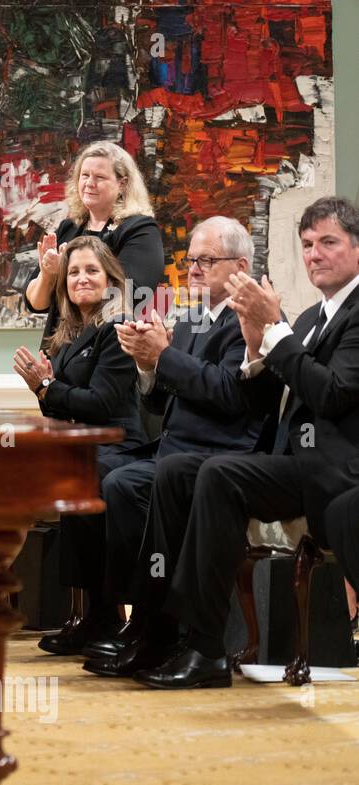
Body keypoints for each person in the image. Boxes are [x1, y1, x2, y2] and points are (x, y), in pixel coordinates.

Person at [131, 196, 359, 689]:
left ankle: (205, 647)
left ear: (356, 249)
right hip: (294, 462)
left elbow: (334, 394)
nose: (314, 254)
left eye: (328, 243)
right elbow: (260, 393)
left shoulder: (348, 316)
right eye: (306, 245)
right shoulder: (308, 320)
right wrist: (258, 346)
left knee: (218, 473)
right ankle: (165, 630)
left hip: (338, 472)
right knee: (175, 472)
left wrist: (271, 331)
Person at [82, 216, 263, 676]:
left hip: (221, 453)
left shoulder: (250, 319)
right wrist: (145, 365)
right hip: (176, 448)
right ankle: (137, 619)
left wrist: (163, 357)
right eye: (191, 260)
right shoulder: (191, 317)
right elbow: (162, 400)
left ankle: (161, 626)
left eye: (206, 260)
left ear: (240, 265)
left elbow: (228, 393)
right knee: (115, 480)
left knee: (142, 479)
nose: (193, 269)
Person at [13, 236, 146, 653]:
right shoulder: (64, 329)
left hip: (118, 442)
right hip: (80, 441)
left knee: (85, 479)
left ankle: (105, 615)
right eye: (73, 272)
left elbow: (102, 404)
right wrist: (44, 388)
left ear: (110, 278)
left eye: (91, 270)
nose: (81, 279)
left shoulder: (118, 327)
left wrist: (47, 386)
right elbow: (55, 401)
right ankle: (87, 615)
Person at [25, 141, 165, 343]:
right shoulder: (68, 228)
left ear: (122, 184)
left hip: (109, 349)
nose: (89, 183)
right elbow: (35, 303)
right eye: (85, 175)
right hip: (59, 351)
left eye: (99, 177)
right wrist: (48, 275)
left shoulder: (139, 230)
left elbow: (130, 296)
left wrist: (62, 278)